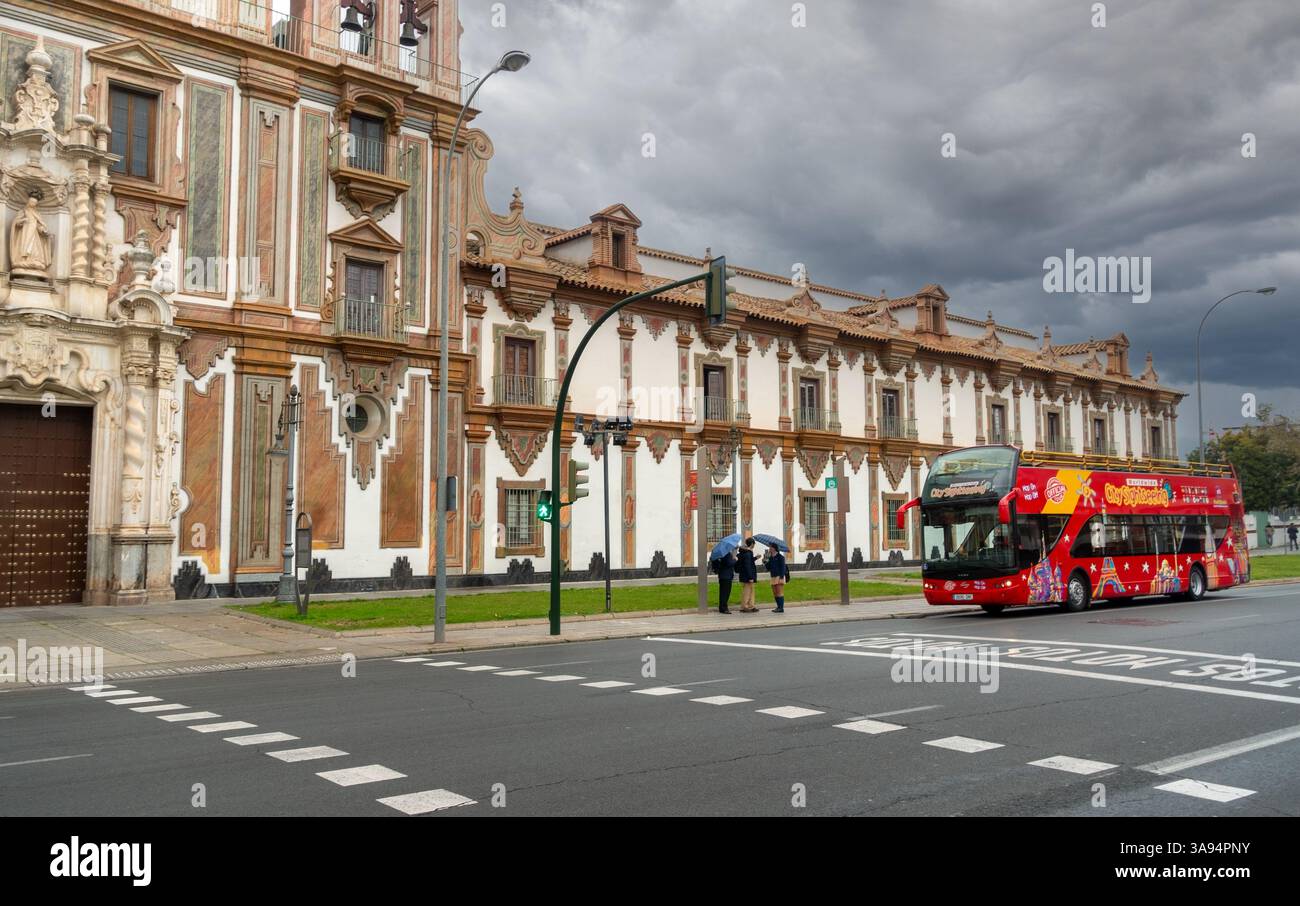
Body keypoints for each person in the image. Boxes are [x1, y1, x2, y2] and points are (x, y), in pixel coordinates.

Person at [765, 544, 791, 613]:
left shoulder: (780, 557)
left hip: (779, 576)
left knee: (779, 592)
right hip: (773, 576)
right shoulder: (771, 557)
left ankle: (781, 608)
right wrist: (765, 561)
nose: (769, 549)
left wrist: (781, 577)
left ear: (774, 548)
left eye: (770, 547)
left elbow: (783, 568)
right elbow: (768, 568)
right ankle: (778, 606)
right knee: (775, 592)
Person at [736, 538, 759, 612]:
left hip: (744, 575)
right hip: (747, 576)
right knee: (748, 591)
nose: (754, 545)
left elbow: (748, 562)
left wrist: (755, 558)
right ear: (752, 544)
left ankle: (750, 605)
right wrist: (750, 577)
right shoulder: (748, 553)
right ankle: (745, 606)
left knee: (749, 591)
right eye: (754, 544)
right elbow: (748, 565)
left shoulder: (744, 552)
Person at [712, 550, 736, 614]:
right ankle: (724, 608)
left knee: (722, 593)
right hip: (727, 576)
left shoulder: (720, 554)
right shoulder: (726, 554)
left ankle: (722, 607)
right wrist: (735, 559)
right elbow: (729, 563)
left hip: (722, 575)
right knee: (726, 593)